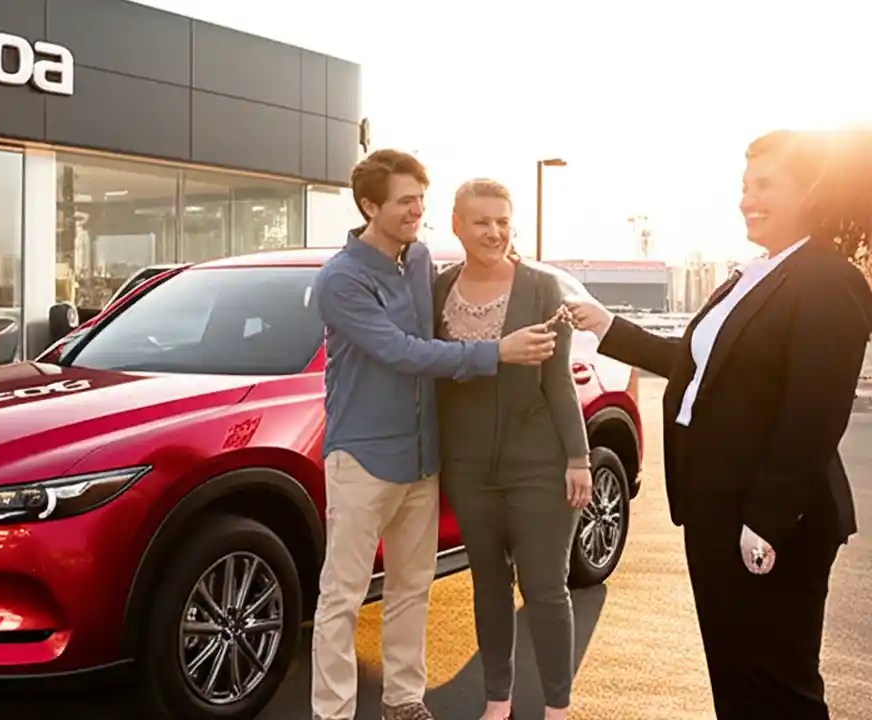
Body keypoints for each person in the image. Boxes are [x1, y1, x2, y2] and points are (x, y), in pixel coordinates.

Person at [565, 129, 872, 719]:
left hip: (772, 520)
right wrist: (610, 328)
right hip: (715, 510)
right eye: (743, 186)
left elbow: (814, 411)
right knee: (734, 676)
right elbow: (697, 363)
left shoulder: (827, 280)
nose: (747, 198)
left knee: (780, 686)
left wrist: (767, 519)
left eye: (765, 185)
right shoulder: (754, 275)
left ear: (810, 190)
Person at [311, 149, 560, 720]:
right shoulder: (342, 279)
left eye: (421, 199)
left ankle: (403, 701)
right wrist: (496, 352)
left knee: (411, 587)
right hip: (363, 457)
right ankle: (333, 713)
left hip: (421, 458)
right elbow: (403, 351)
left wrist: (505, 265)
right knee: (343, 596)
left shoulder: (419, 259)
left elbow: (456, 294)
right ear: (370, 205)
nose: (415, 211)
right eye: (404, 201)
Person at [431, 179, 592, 720]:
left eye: (502, 220)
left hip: (538, 465)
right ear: (457, 224)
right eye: (481, 221)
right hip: (467, 467)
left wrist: (578, 458)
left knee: (545, 589)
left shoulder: (542, 289)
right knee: (489, 585)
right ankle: (496, 702)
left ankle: (556, 708)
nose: (494, 231)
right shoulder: (437, 290)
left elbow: (559, 381)